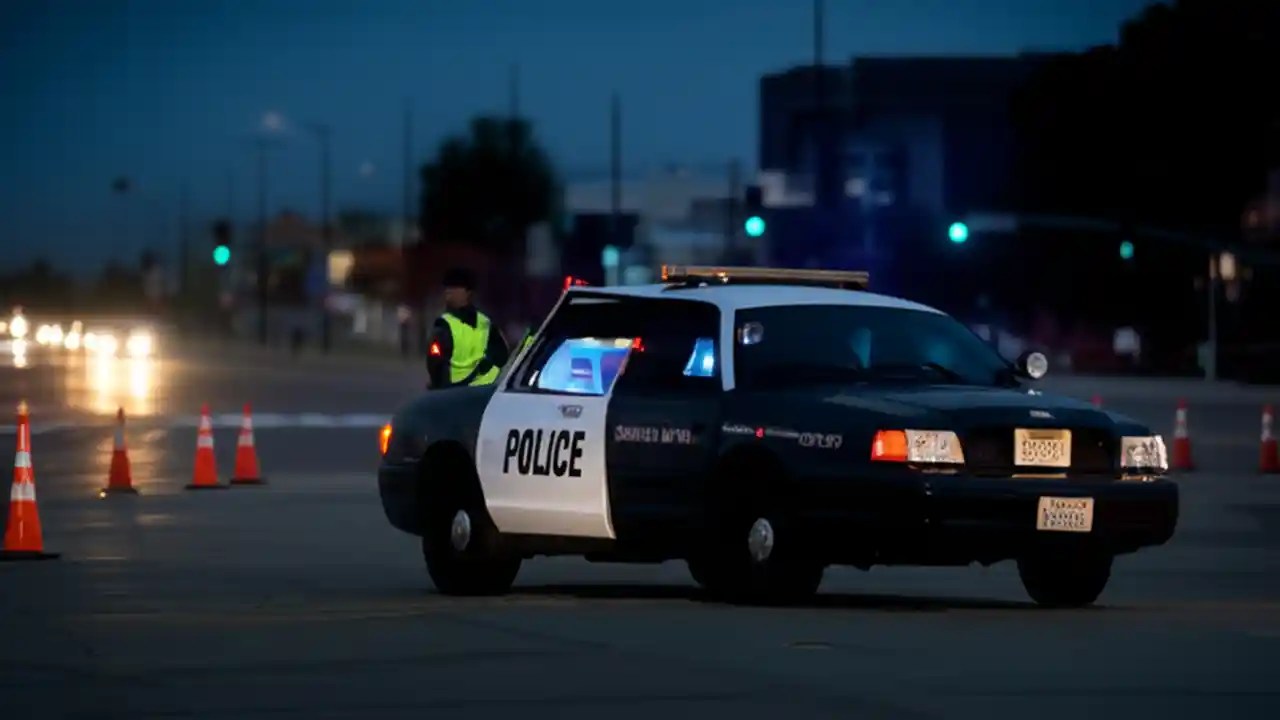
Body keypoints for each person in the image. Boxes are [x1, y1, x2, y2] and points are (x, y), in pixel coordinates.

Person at [425, 268, 510, 389]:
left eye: (454, 288)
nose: (448, 292)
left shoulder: (485, 323)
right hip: (460, 391)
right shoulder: (444, 325)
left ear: (468, 292)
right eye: (447, 288)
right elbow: (435, 364)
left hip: (482, 391)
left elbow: (502, 355)